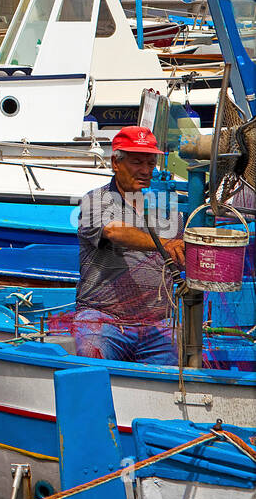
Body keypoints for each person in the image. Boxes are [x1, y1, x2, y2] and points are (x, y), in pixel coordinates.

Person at [73, 126, 185, 364]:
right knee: (94, 368)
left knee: (175, 375)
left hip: (157, 323)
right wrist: (165, 245)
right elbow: (114, 231)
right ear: (116, 163)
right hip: (103, 319)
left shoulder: (170, 208)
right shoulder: (95, 200)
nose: (145, 171)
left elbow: (183, 256)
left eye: (151, 164)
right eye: (136, 163)